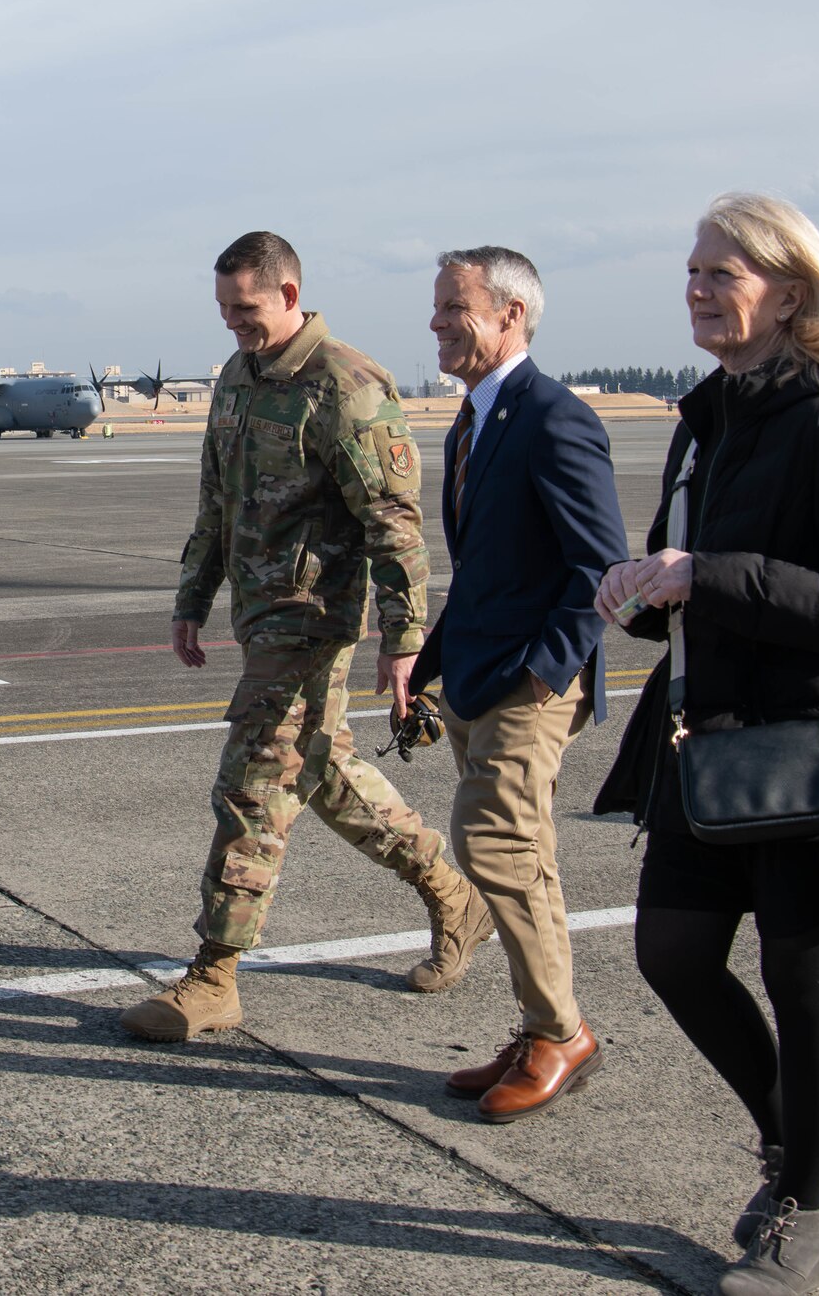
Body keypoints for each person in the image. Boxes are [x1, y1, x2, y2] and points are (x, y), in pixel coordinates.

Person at [592, 193, 819, 1295]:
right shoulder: (708, 417)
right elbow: (683, 564)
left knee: (800, 975)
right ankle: (800, 1142)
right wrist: (641, 592)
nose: (696, 290)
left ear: (788, 294)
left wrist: (707, 579)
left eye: (720, 275)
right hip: (710, 738)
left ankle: (804, 1208)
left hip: (814, 743)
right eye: (690, 272)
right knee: (672, 952)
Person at [120, 231, 489, 1043]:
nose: (233, 327)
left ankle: (214, 975)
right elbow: (216, 500)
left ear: (290, 295)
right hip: (257, 615)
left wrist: (405, 642)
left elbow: (394, 524)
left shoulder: (347, 387)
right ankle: (453, 894)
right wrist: (192, 597)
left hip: (314, 622)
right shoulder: (237, 377)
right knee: (320, 771)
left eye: (245, 310)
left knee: (251, 780)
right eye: (223, 311)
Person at [407, 247, 627, 1122]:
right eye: (435, 307)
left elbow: (600, 565)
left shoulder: (552, 418)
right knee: (522, 853)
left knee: (496, 846)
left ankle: (561, 1033)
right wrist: (430, 669)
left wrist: (545, 675)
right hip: (477, 673)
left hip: (528, 682)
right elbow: (486, 569)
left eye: (453, 308)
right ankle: (542, 1027)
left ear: (511, 316)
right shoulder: (475, 418)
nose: (435, 322)